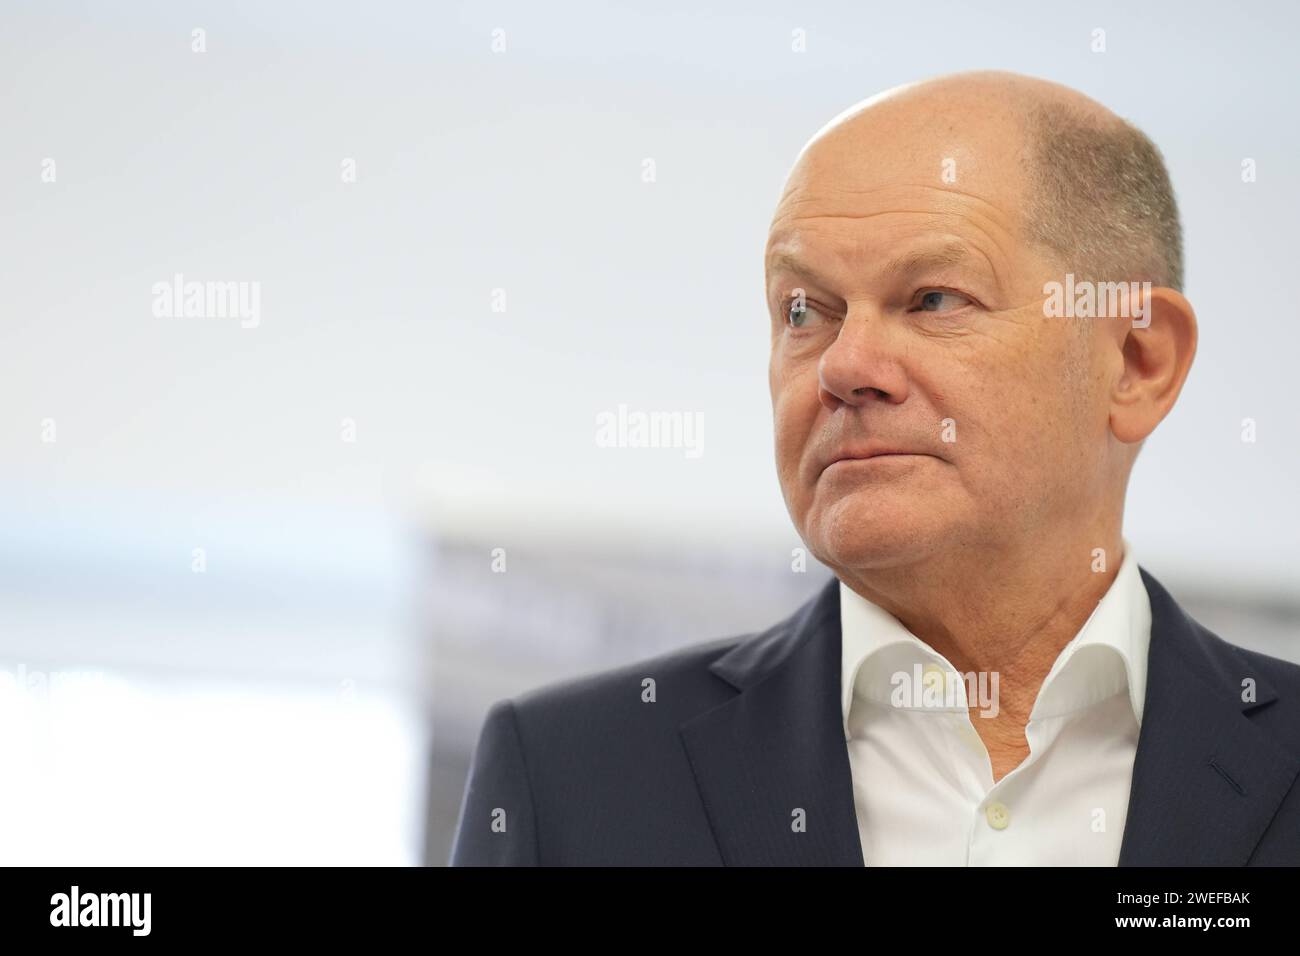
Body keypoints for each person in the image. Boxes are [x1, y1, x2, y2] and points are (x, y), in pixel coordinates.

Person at [448, 70, 1300, 866]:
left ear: (1137, 361)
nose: (843, 366)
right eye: (802, 310)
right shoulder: (571, 779)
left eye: (933, 298)